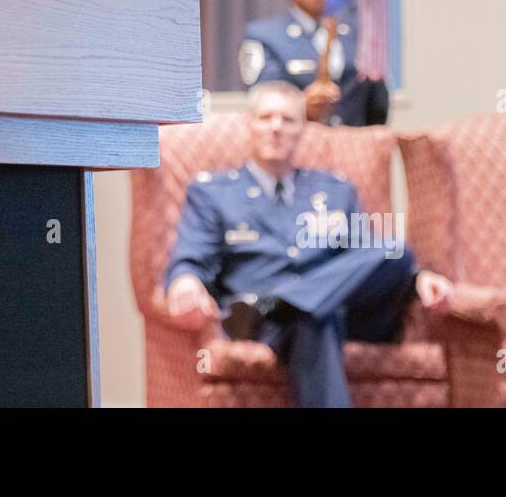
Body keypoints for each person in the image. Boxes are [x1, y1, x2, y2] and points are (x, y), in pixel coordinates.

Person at [163, 80, 452, 407]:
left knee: (394, 252)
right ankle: (291, 307)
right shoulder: (214, 193)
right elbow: (191, 258)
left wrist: (418, 279)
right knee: (312, 318)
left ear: (303, 129)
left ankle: (279, 303)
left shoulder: (334, 189)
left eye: (288, 120)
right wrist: (184, 283)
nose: (276, 128)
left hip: (337, 313)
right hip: (285, 326)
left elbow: (366, 256)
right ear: (250, 125)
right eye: (266, 117)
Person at [239, 0, 389, 126]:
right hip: (298, 147)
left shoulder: (360, 35)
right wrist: (301, 106)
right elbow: (264, 102)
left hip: (353, 148)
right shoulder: (266, 36)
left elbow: (378, 105)